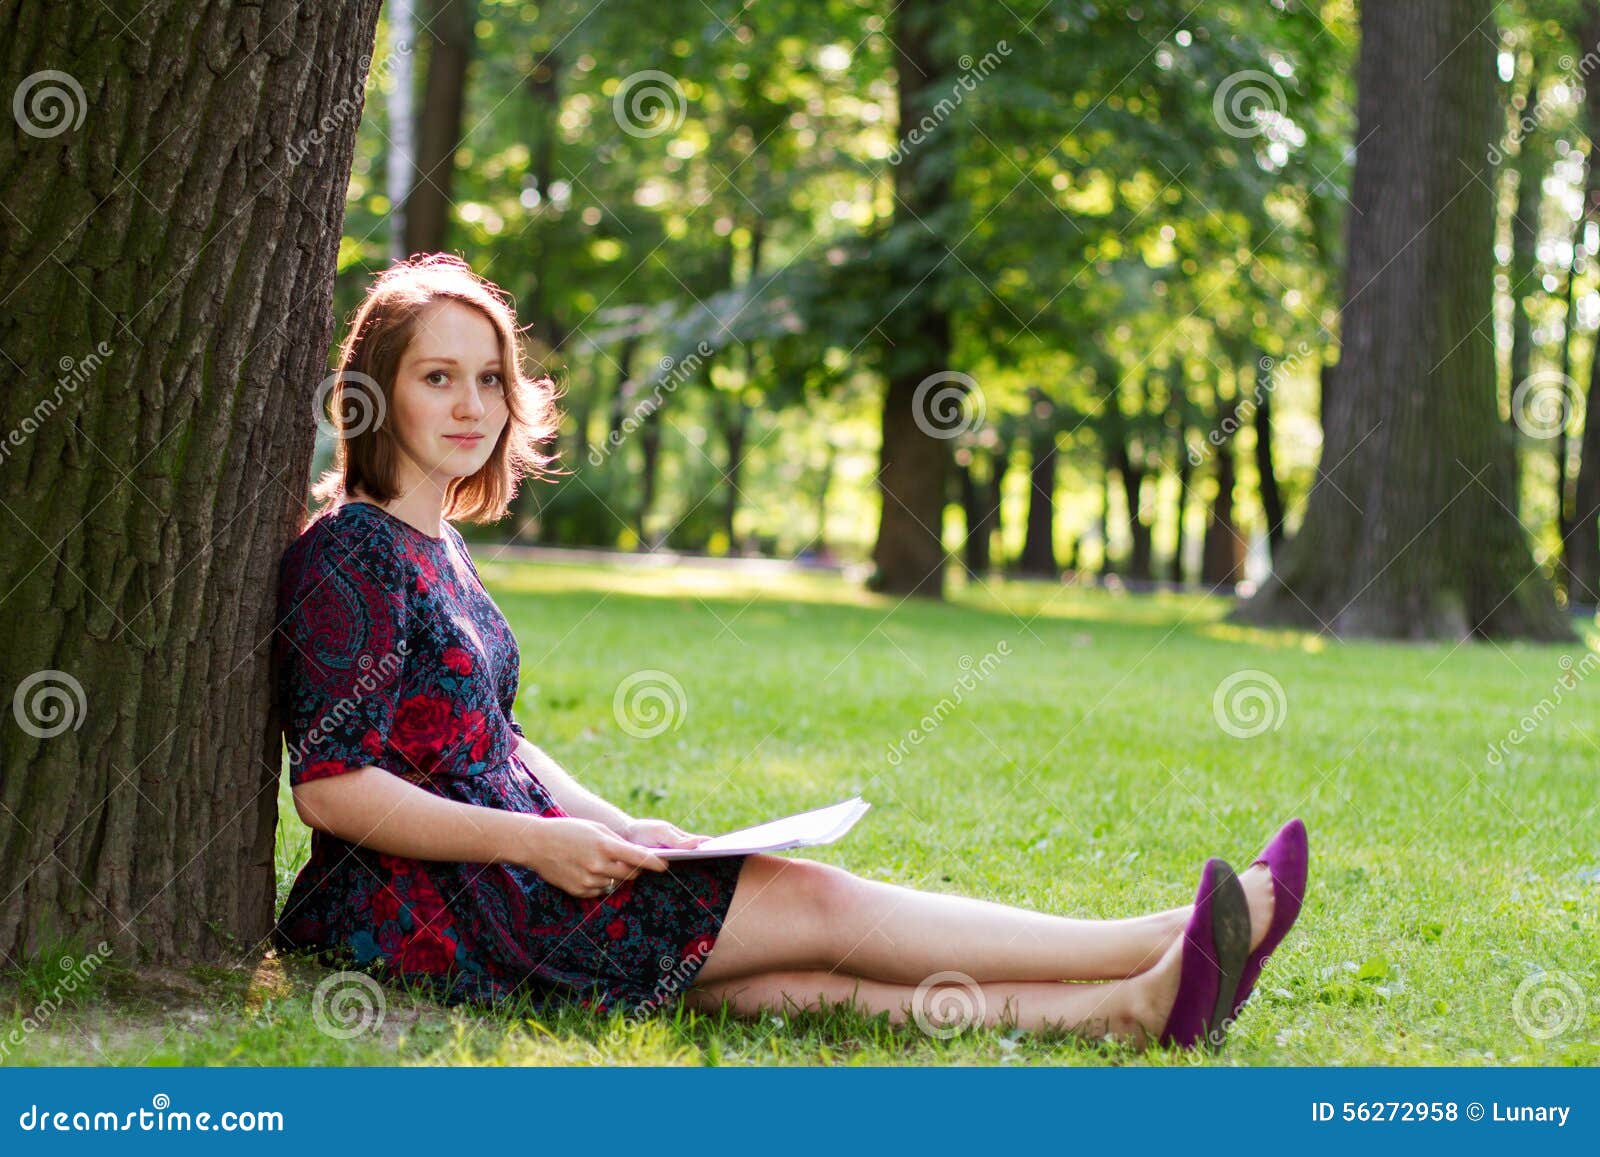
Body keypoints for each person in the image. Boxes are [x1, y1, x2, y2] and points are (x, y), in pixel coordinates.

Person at [272, 254, 1308, 1051]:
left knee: (764, 981)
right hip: (417, 906)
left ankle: (1127, 1011)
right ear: (377, 391)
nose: (470, 405)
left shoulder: (437, 544)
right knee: (811, 901)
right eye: (438, 377)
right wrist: (535, 845)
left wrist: (607, 821)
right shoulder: (350, 549)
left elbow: (498, 739)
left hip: (508, 866)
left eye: (489, 379)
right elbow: (332, 787)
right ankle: (1158, 935)